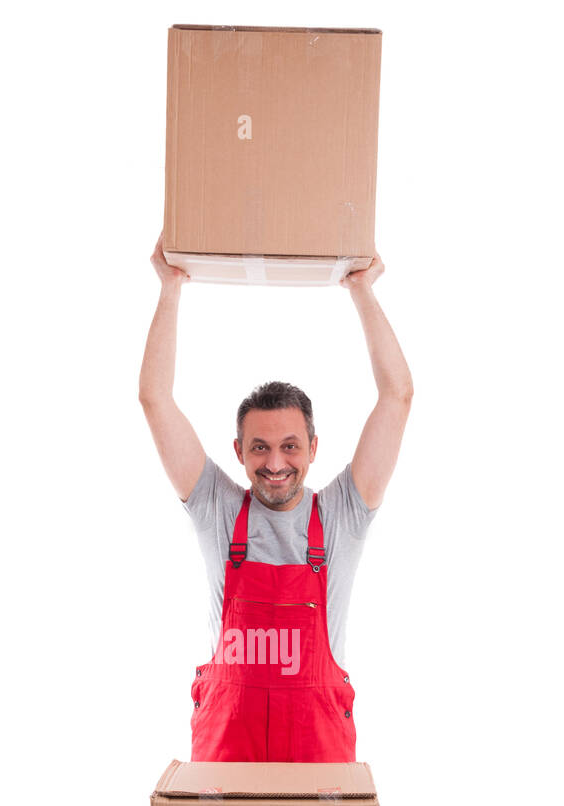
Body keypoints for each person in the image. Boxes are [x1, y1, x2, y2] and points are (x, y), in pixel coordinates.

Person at [139, 232, 413, 762]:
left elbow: (397, 396)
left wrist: (362, 290)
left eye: (290, 446)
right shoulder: (217, 509)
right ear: (238, 451)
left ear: (313, 448)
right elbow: (155, 398)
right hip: (228, 755)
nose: (275, 463)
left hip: (317, 754)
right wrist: (170, 287)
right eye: (259, 448)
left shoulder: (342, 515)